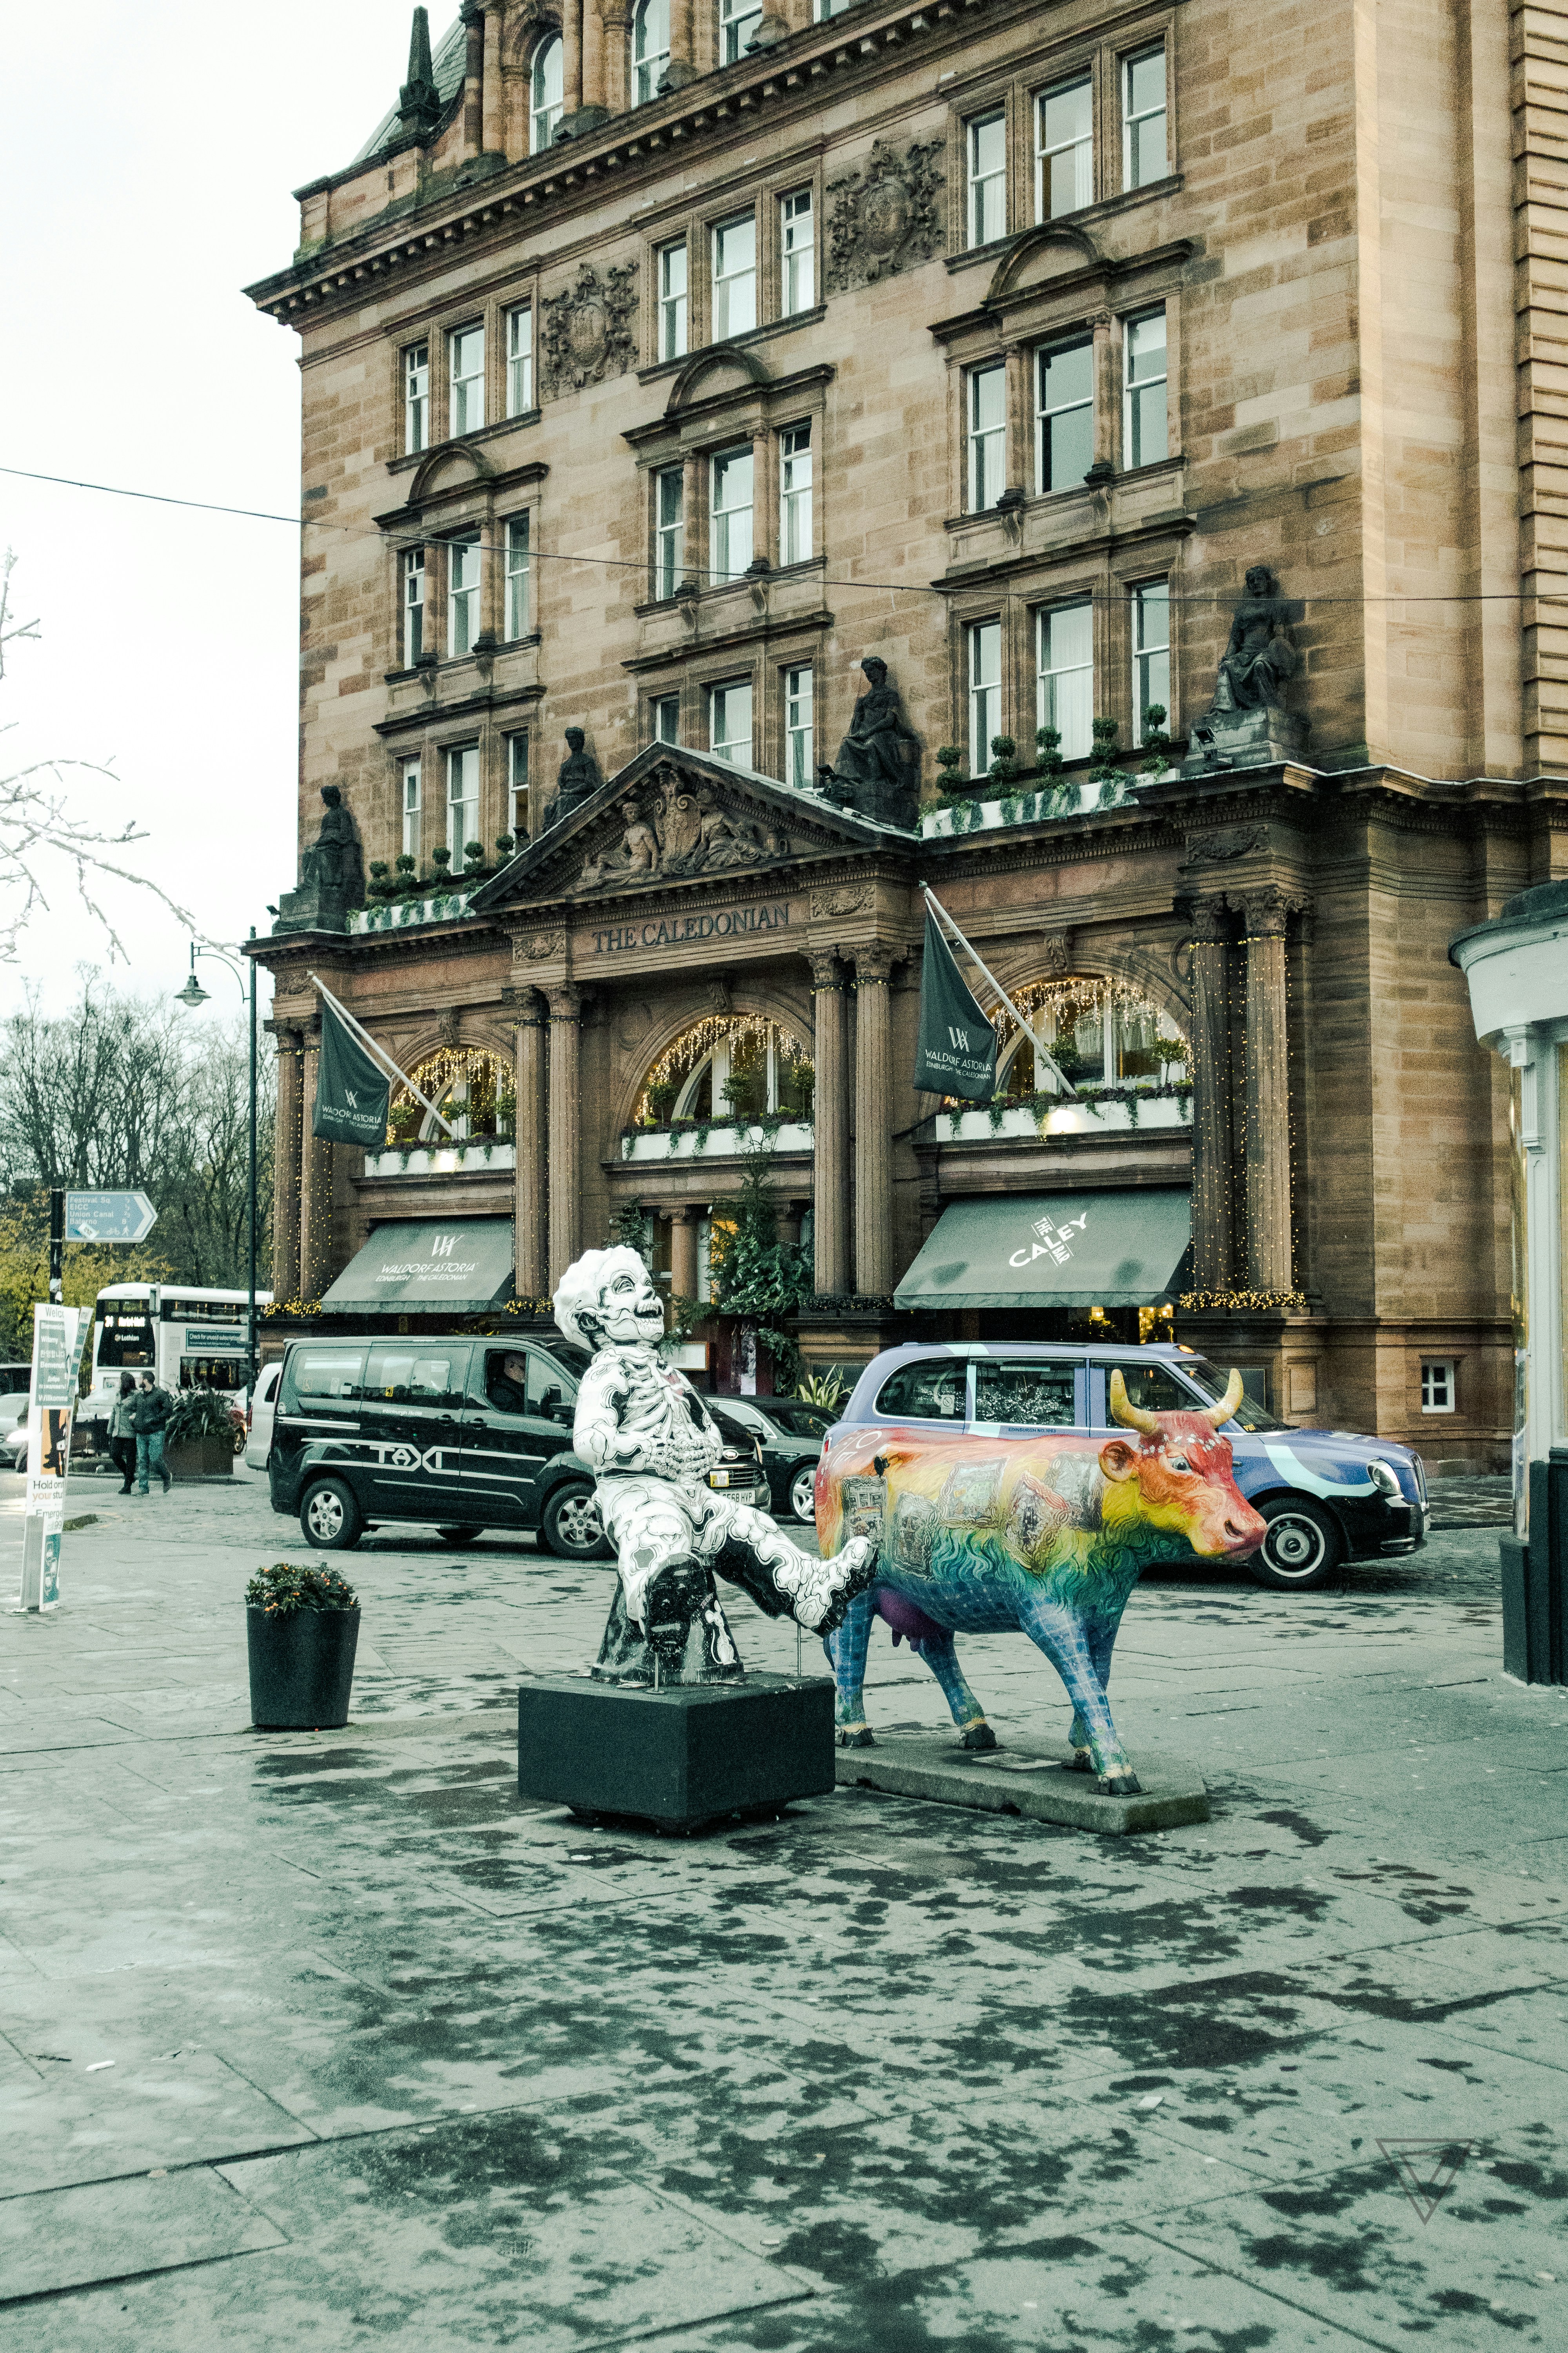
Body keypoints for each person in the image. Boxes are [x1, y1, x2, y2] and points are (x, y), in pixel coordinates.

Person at [132, 1371, 174, 1496]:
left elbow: (168, 1410)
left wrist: (155, 1419)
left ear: (146, 1381)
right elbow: (137, 1411)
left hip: (156, 1432)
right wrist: (135, 1420)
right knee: (143, 1460)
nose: (139, 1381)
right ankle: (143, 1487)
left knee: (155, 1458)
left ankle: (166, 1476)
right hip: (141, 1432)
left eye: (140, 1379)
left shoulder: (160, 1394)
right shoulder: (140, 1396)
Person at [108, 1373, 138, 1494]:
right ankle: (130, 1476)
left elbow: (139, 1412)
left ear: (129, 1383)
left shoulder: (136, 1396)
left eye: (123, 1381)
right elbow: (114, 1413)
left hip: (131, 1432)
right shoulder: (118, 1395)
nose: (122, 1384)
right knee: (115, 1455)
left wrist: (134, 1417)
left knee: (131, 1459)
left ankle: (127, 1486)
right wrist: (110, 1430)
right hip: (118, 1432)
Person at [486, 1350, 530, 1415]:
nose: (527, 1374)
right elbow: (519, 1415)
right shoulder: (500, 1392)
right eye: (524, 1369)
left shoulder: (516, 1385)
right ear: (511, 1366)